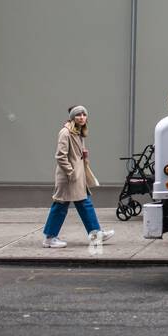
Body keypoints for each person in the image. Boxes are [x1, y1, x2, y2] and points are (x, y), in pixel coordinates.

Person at [42, 105, 115, 249]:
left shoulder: (78, 133)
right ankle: (49, 238)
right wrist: (70, 172)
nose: (82, 117)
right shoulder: (66, 132)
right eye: (78, 115)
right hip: (69, 178)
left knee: (84, 204)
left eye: (84, 115)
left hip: (77, 176)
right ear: (72, 117)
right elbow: (60, 156)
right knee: (60, 205)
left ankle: (96, 234)